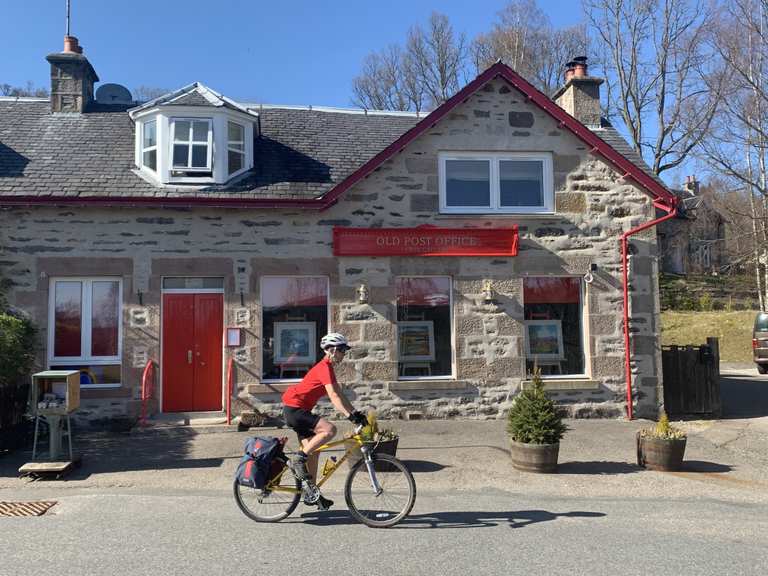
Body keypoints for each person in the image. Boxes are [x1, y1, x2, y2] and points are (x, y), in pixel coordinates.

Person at [282, 332, 368, 510]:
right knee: (329, 430)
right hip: (294, 409)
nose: (344, 354)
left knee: (314, 451)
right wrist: (349, 416)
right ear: (333, 350)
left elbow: (341, 394)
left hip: (299, 410)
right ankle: (298, 459)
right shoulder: (323, 368)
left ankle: (311, 493)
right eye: (343, 350)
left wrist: (355, 413)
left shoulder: (328, 368)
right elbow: (334, 396)